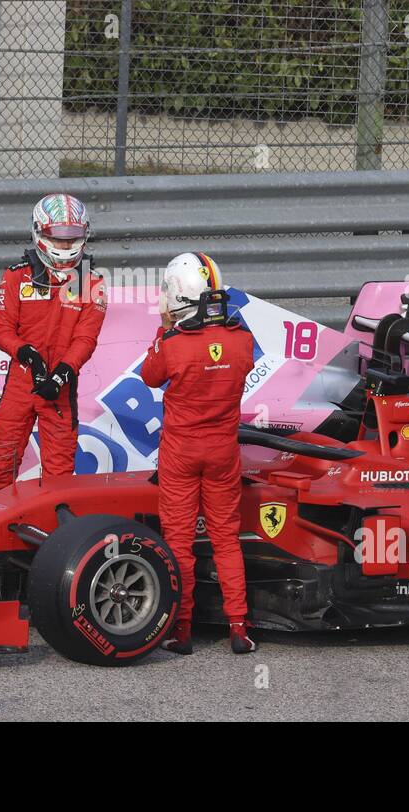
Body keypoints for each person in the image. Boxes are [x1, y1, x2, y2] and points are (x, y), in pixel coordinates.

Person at [139, 252, 257, 655]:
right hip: (224, 451)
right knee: (227, 541)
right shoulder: (242, 339)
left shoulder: (171, 344)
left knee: (179, 543)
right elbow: (237, 362)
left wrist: (165, 331)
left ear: (175, 292)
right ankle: (239, 629)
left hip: (181, 453)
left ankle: (181, 631)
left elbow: (149, 376)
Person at [0, 193, 106, 490]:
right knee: (1, 465)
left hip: (61, 388)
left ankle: (57, 533)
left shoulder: (92, 283)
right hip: (22, 381)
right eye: (59, 238)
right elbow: (1, 331)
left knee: (59, 475)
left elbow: (86, 339)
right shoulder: (16, 278)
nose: (66, 246)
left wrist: (62, 373)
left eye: (73, 238)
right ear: (39, 232)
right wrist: (26, 354)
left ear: (85, 235)